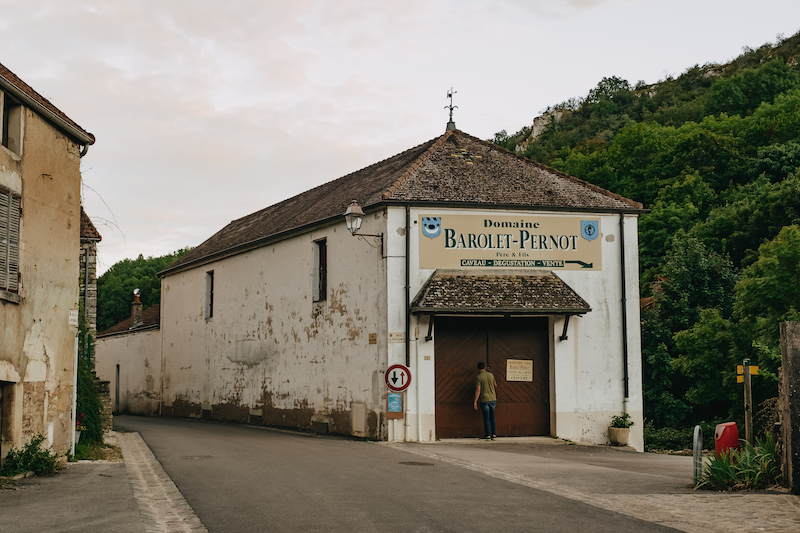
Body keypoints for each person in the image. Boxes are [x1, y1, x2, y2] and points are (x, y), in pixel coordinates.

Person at [473, 362, 497, 440]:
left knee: (486, 418)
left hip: (484, 399)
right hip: (493, 398)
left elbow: (478, 390)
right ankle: (494, 434)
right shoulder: (491, 375)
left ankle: (487, 435)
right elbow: (495, 385)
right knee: (492, 417)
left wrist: (475, 401)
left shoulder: (478, 377)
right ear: (485, 367)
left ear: (478, 368)